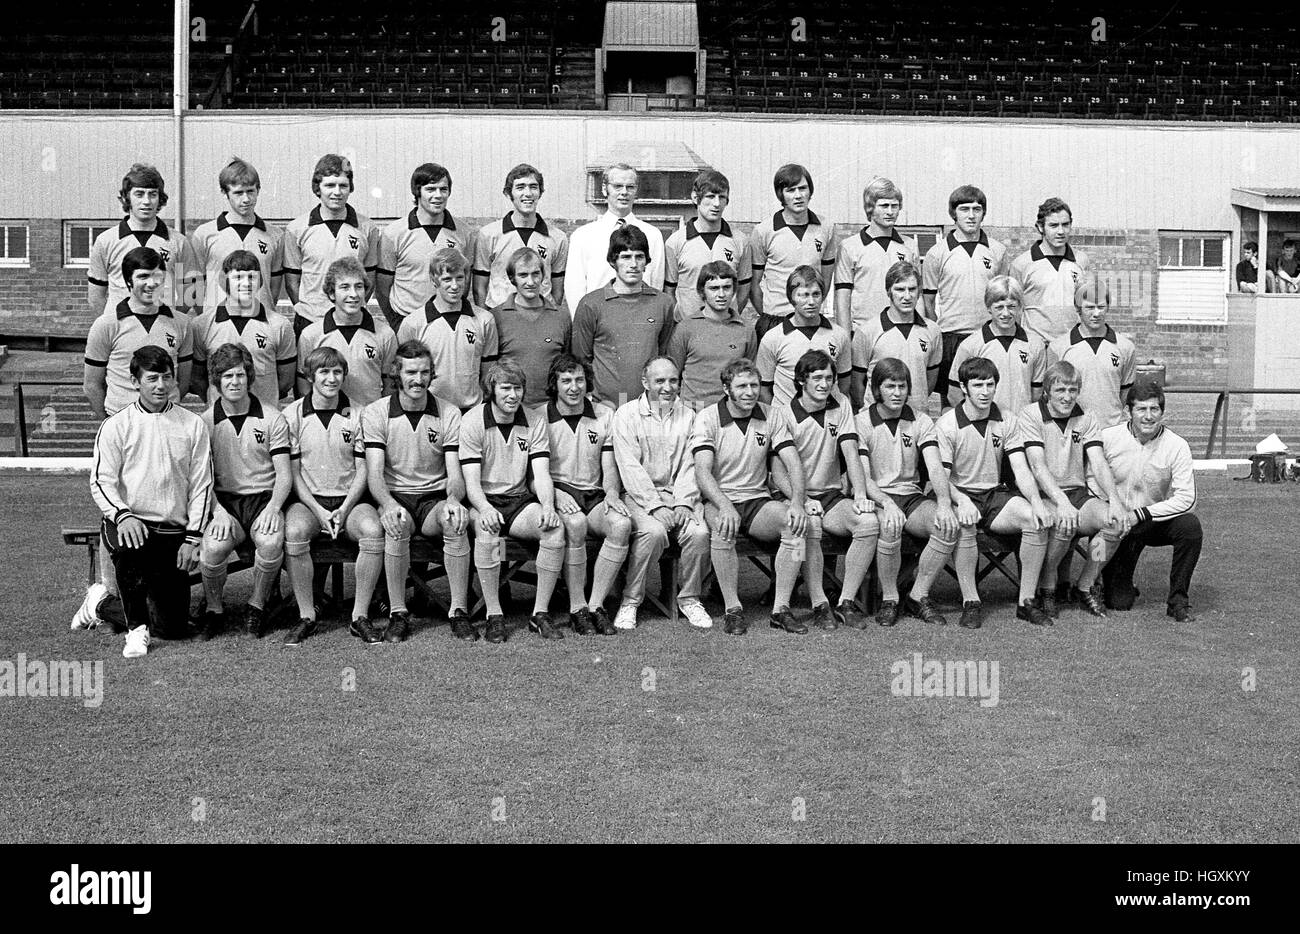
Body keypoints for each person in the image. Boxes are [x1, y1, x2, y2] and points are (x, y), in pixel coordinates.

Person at [73, 347, 212, 659]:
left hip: (173, 532)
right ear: (135, 382)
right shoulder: (116, 425)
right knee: (131, 545)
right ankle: (136, 631)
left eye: (166, 377)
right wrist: (122, 515)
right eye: (152, 378)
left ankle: (99, 603)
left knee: (173, 627)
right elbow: (101, 480)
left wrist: (193, 537)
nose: (160, 385)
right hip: (129, 523)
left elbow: (202, 484)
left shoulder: (192, 425)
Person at [363, 341, 473, 643]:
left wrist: (453, 500)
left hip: (432, 499)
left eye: (425, 372)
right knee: (396, 524)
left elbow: (454, 473)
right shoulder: (376, 413)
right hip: (395, 495)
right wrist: (386, 504)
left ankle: (459, 611)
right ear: (397, 373)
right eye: (411, 372)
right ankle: (398, 613)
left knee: (455, 521)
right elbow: (374, 474)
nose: (418, 379)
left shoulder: (448, 412)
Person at [935, 357, 1054, 628]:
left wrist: (1036, 502)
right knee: (963, 524)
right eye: (978, 385)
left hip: (993, 495)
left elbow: (1021, 469)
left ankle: (1027, 602)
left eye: (990, 385)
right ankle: (971, 601)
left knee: (1035, 520)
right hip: (959, 493)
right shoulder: (947, 424)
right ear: (963, 388)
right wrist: (961, 499)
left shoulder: (1007, 419)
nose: (985, 391)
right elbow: (939, 478)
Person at [693, 358, 810, 635]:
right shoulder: (708, 417)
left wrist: (796, 502)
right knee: (723, 527)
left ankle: (781, 608)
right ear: (726, 389)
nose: (750, 392)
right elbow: (702, 472)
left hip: (757, 500)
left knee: (795, 526)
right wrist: (724, 505)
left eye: (754, 385)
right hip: (719, 498)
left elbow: (793, 463)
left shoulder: (772, 414)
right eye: (742, 386)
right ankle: (733, 609)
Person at [281, 346, 386, 646]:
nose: (331, 378)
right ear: (310, 376)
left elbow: (363, 469)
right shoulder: (293, 415)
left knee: (372, 530)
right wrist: (317, 510)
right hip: (309, 501)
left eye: (337, 372)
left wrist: (343, 507)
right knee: (295, 531)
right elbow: (294, 473)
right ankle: (306, 615)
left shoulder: (358, 413)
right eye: (324, 372)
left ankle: (359, 616)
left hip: (348, 501)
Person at [770, 350, 879, 630]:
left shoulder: (840, 404)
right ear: (801, 381)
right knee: (808, 527)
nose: (824, 384)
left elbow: (851, 453)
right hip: (793, 495)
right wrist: (801, 498)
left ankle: (845, 601)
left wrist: (861, 495)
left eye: (829, 378)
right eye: (816, 378)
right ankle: (819, 603)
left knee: (868, 522)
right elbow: (778, 470)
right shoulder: (782, 413)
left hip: (831, 496)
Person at [460, 360, 565, 643]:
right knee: (487, 531)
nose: (512, 395)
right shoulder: (472, 421)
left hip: (518, 500)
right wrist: (484, 508)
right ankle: (494, 614)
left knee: (553, 530)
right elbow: (470, 483)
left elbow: (541, 473)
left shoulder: (534, 421)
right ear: (491, 390)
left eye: (517, 388)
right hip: (483, 499)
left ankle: (539, 613)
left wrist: (547, 506)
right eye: (505, 388)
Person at [1017, 361, 1130, 619]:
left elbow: (1098, 462)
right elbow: (1037, 466)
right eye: (1060, 390)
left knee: (1114, 523)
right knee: (1063, 522)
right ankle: (1048, 586)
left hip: (1077, 493)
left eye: (1072, 390)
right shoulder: (1031, 414)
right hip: (1044, 493)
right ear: (1046, 391)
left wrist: (1114, 499)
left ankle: (1086, 583)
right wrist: (1061, 502)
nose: (1067, 397)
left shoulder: (1086, 416)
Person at [196, 343, 292, 640]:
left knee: (272, 542)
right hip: (224, 502)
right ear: (217, 381)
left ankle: (256, 606)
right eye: (227, 376)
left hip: (263, 499)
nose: (234, 382)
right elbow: (201, 478)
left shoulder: (272, 417)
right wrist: (217, 511)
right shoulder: (204, 422)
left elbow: (285, 475)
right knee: (213, 548)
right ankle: (214, 609)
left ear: (249, 377)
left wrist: (274, 508)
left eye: (239, 375)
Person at [855, 357, 959, 628]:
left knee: (946, 524)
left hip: (911, 496)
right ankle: (890, 598)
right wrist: (886, 503)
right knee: (890, 525)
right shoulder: (861, 421)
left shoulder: (921, 420)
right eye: (890, 386)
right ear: (877, 389)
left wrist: (945, 503)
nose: (897, 393)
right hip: (878, 497)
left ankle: (917, 595)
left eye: (902, 386)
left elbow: (935, 467)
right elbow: (863, 477)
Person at [610, 357, 712, 630]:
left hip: (679, 496)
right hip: (638, 497)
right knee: (653, 533)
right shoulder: (626, 414)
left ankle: (689, 598)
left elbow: (691, 465)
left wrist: (683, 503)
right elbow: (630, 468)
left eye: (673, 381)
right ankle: (630, 601)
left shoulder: (690, 415)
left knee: (699, 533)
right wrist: (656, 506)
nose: (667, 387)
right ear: (645, 383)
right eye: (660, 381)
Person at [1096, 382, 1201, 622]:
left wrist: (1142, 514)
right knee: (1118, 603)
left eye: (1154, 409)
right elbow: (1092, 478)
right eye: (1141, 409)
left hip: (1151, 521)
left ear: (1162, 412)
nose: (1148, 416)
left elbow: (1187, 499)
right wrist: (1111, 508)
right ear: (1128, 411)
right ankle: (1100, 581)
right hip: (1117, 524)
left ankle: (1178, 602)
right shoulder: (1109, 438)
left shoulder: (1177, 445)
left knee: (1190, 527)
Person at [543, 355, 628, 636]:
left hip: (593, 494)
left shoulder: (604, 413)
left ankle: (596, 605)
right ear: (554, 384)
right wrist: (554, 494)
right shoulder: (539, 417)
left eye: (579, 379)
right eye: (565, 380)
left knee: (621, 525)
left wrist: (612, 492)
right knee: (576, 525)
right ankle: (577, 607)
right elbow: (532, 475)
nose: (573, 387)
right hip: (559, 492)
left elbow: (608, 464)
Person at [570, 225, 675, 407]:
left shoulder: (663, 303)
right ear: (613, 261)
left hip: (649, 408)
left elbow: (665, 355)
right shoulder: (591, 304)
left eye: (639, 257)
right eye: (625, 257)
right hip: (604, 407)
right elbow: (580, 359)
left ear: (647, 261)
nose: (633, 264)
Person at [84, 246, 193, 420]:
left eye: (157, 276)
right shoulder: (106, 325)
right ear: (129, 281)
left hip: (168, 420)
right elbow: (91, 384)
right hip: (122, 422)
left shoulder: (182, 323)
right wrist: (109, 424)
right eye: (143, 276)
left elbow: (183, 381)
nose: (151, 284)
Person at [922, 185, 1008, 405]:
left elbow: (1004, 297)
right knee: (951, 404)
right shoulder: (937, 253)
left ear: (983, 213)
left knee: (989, 398)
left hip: (988, 335)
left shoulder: (997, 251)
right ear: (953, 213)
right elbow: (928, 301)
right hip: (952, 336)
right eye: (964, 209)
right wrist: (937, 335)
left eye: (977, 209)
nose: (971, 215)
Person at [282, 154, 382, 336]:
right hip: (310, 320)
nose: (337, 192)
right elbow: (292, 281)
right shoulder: (296, 228)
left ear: (350, 188)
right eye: (329, 185)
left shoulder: (368, 228)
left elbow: (370, 278)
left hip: (351, 320)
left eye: (343, 185)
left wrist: (351, 309)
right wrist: (307, 310)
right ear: (317, 188)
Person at [190, 249, 296, 408]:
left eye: (252, 277)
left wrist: (265, 401)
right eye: (238, 277)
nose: (246, 283)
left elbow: (286, 381)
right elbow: (198, 379)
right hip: (220, 421)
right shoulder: (202, 325)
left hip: (264, 421)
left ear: (260, 281)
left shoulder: (280, 325)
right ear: (224, 281)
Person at [88, 163, 196, 316]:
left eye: (152, 194)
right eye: (139, 194)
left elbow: (190, 293)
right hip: (121, 331)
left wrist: (171, 320)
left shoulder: (178, 242)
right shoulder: (106, 241)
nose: (146, 201)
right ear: (127, 198)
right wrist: (113, 326)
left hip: (162, 329)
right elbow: (95, 297)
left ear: (160, 199)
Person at [397, 247, 498, 411]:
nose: (455, 285)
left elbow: (488, 373)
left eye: (460, 278)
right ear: (433, 279)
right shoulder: (413, 323)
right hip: (429, 410)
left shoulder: (485, 320)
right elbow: (404, 375)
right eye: (447, 279)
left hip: (471, 410)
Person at [376, 162, 470, 332]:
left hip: (447, 322)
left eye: (443, 189)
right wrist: (397, 323)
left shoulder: (464, 232)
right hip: (406, 320)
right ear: (417, 191)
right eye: (431, 189)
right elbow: (382, 288)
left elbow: (466, 280)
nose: (438, 195)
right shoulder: (394, 233)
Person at [748, 163, 837, 336]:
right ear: (781, 195)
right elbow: (754, 285)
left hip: (810, 320)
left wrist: (809, 309)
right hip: (775, 319)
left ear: (810, 191)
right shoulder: (764, 230)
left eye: (803, 188)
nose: (798, 196)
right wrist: (769, 314)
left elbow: (825, 279)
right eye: (790, 190)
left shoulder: (826, 228)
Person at [297, 256, 397, 405]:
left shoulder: (385, 334)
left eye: (359, 286)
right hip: (330, 422)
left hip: (369, 421)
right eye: (345, 287)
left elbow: (390, 385)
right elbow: (304, 384)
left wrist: (378, 415)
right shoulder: (311, 335)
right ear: (331, 293)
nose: (354, 294)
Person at [189, 157, 283, 314]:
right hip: (218, 325)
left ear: (258, 190)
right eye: (238, 193)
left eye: (251, 191)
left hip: (261, 324)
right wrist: (207, 317)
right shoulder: (204, 234)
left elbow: (274, 285)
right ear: (224, 193)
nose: (246, 199)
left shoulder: (275, 235)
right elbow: (194, 283)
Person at [565, 163, 665, 308]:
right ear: (605, 189)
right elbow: (574, 288)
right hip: (597, 320)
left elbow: (655, 283)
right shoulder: (583, 236)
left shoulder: (652, 234)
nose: (624, 192)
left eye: (630, 187)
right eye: (617, 186)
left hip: (639, 317)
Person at [473, 163, 568, 311]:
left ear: (540, 192)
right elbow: (480, 288)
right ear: (508, 193)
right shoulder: (488, 234)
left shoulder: (558, 237)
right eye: (520, 187)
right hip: (501, 318)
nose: (528, 193)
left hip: (541, 317)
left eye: (533, 187)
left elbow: (557, 289)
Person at [850, 260, 943, 411]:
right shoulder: (867, 331)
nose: (907, 296)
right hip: (878, 421)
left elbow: (930, 380)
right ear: (888, 291)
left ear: (919, 292)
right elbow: (856, 383)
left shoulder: (933, 331)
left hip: (916, 418)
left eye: (912, 289)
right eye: (900, 289)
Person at [666, 260, 758, 409]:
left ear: (734, 290)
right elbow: (671, 375)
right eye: (714, 288)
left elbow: (749, 375)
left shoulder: (746, 330)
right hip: (693, 413)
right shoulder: (685, 328)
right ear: (702, 291)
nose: (721, 294)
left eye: (726, 288)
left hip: (731, 413)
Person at [756, 266, 852, 408]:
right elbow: (764, 389)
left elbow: (844, 384)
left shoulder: (839, 335)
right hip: (787, 422)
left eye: (816, 294)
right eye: (803, 295)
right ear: (791, 298)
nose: (811, 302)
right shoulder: (772, 338)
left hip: (827, 420)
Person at [1046, 278, 1136, 429]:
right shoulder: (1058, 347)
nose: (1096, 313)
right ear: (1078, 308)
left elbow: (1125, 395)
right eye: (1089, 307)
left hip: (1111, 432)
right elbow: (1051, 395)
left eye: (1101, 307)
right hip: (1072, 431)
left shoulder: (1125, 347)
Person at [948, 276, 1046, 414]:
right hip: (987, 427)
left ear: (1020, 307)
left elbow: (1036, 395)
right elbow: (954, 394)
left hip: (1022, 427)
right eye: (999, 307)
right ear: (988, 307)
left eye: (1012, 306)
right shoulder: (970, 345)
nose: (1006, 313)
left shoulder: (1036, 344)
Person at [833, 177, 918, 335]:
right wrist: (845, 340)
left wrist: (920, 332)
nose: (890, 212)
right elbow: (842, 300)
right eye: (884, 206)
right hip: (862, 332)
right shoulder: (850, 246)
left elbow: (916, 294)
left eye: (895, 206)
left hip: (902, 331)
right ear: (870, 208)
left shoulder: (909, 246)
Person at [663, 169, 751, 321]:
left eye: (722, 197)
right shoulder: (675, 242)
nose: (716, 204)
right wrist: (684, 324)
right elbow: (669, 291)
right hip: (689, 329)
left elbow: (744, 289)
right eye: (710, 196)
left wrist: (729, 317)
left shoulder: (740, 241)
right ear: (695, 197)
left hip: (726, 328)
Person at [490, 247, 571, 407]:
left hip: (552, 409)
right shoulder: (496, 317)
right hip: (511, 409)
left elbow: (568, 365)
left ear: (543, 276)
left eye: (535, 274)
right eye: (523, 275)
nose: (531, 282)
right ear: (512, 278)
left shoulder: (561, 316)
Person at [1008, 197, 1090, 346]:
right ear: (1040, 227)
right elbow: (1013, 309)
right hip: (1036, 346)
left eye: (1065, 225)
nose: (1060, 231)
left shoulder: (1081, 260)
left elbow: (1086, 304)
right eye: (1053, 225)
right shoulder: (1021, 264)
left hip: (1071, 345)